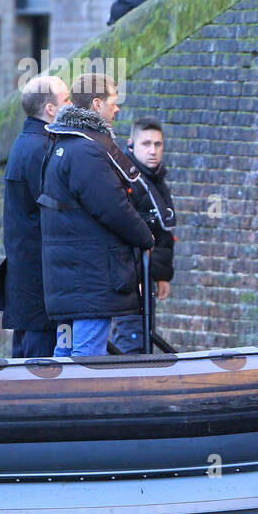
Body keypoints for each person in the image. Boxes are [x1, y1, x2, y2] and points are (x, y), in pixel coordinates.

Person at [40, 72, 154, 357]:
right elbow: (112, 207)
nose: (117, 108)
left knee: (65, 357)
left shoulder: (63, 143)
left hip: (71, 278)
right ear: (96, 104)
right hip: (91, 279)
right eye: (113, 101)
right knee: (87, 359)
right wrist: (146, 237)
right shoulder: (87, 151)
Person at [1, 75, 71, 358]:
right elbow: (56, 212)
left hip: (28, 282)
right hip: (41, 284)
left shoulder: (26, 143)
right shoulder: (43, 149)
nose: (71, 106)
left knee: (25, 362)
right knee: (39, 367)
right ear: (51, 109)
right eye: (66, 100)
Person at [111, 116, 178, 354]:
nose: (153, 151)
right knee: (132, 340)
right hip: (131, 277)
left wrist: (161, 275)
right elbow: (127, 231)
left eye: (158, 144)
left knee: (143, 335)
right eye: (146, 144)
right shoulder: (125, 180)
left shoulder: (155, 180)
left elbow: (162, 231)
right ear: (131, 145)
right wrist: (137, 275)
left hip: (146, 275)